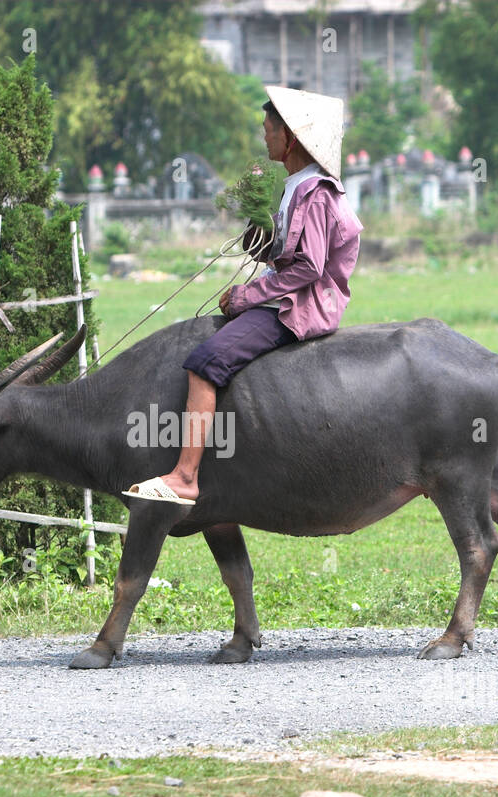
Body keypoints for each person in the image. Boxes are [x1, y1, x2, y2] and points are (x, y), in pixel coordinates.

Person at [125, 85, 363, 505]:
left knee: (203, 363)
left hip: (299, 307)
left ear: (291, 138)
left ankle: (185, 477)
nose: (265, 137)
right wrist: (261, 237)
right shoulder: (296, 187)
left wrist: (246, 296)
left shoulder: (318, 193)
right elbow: (286, 253)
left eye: (269, 130)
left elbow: (308, 267)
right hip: (285, 297)